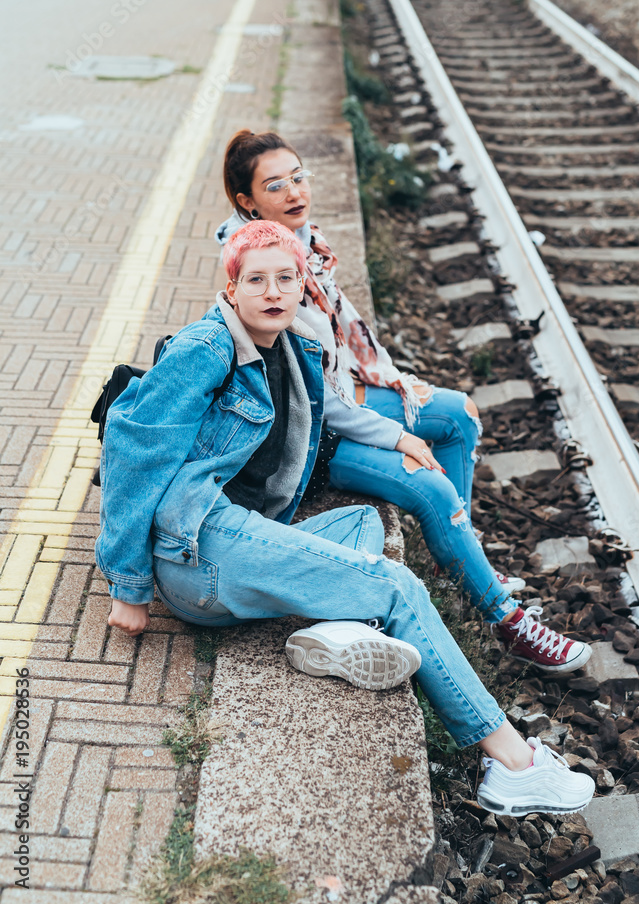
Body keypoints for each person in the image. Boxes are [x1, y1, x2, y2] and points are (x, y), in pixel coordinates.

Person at [98, 219, 594, 816]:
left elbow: (336, 412)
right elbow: (131, 451)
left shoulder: (295, 348)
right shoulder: (205, 349)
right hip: (197, 550)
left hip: (239, 540)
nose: (274, 291)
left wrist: (400, 440)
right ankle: (511, 763)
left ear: (303, 287)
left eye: (286, 278)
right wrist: (127, 586)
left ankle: (341, 633)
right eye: (257, 280)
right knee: (395, 584)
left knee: (362, 524)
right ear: (231, 290)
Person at [216, 130, 592, 674]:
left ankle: (459, 561)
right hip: (312, 439)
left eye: (299, 176)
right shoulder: (265, 277)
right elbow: (320, 404)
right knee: (428, 481)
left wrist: (393, 382)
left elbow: (340, 350)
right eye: (277, 185)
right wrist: (398, 434)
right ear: (247, 202)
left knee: (458, 415)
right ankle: (507, 621)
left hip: (340, 399)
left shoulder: (305, 247)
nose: (296, 191)